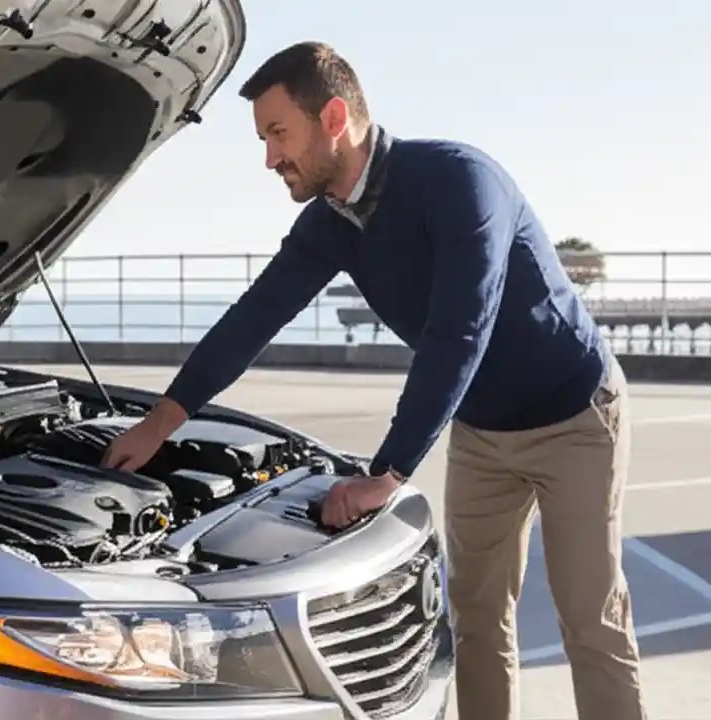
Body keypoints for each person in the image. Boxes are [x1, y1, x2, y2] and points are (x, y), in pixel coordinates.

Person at [100, 41, 646, 720]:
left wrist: (385, 474)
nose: (270, 157)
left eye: (278, 133)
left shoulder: (460, 182)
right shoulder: (331, 224)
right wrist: (160, 422)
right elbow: (255, 315)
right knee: (476, 617)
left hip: (575, 416)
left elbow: (460, 331)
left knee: (590, 619)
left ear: (334, 118)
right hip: (483, 431)